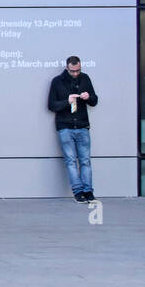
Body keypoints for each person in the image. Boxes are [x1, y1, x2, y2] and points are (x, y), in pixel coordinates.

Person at [47, 55, 98, 203]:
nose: (76, 73)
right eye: (73, 71)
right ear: (67, 68)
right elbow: (51, 105)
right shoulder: (57, 82)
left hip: (82, 125)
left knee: (85, 161)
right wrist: (67, 102)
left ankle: (88, 191)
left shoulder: (85, 79)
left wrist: (88, 97)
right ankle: (78, 192)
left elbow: (94, 101)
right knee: (70, 161)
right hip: (65, 126)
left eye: (78, 70)